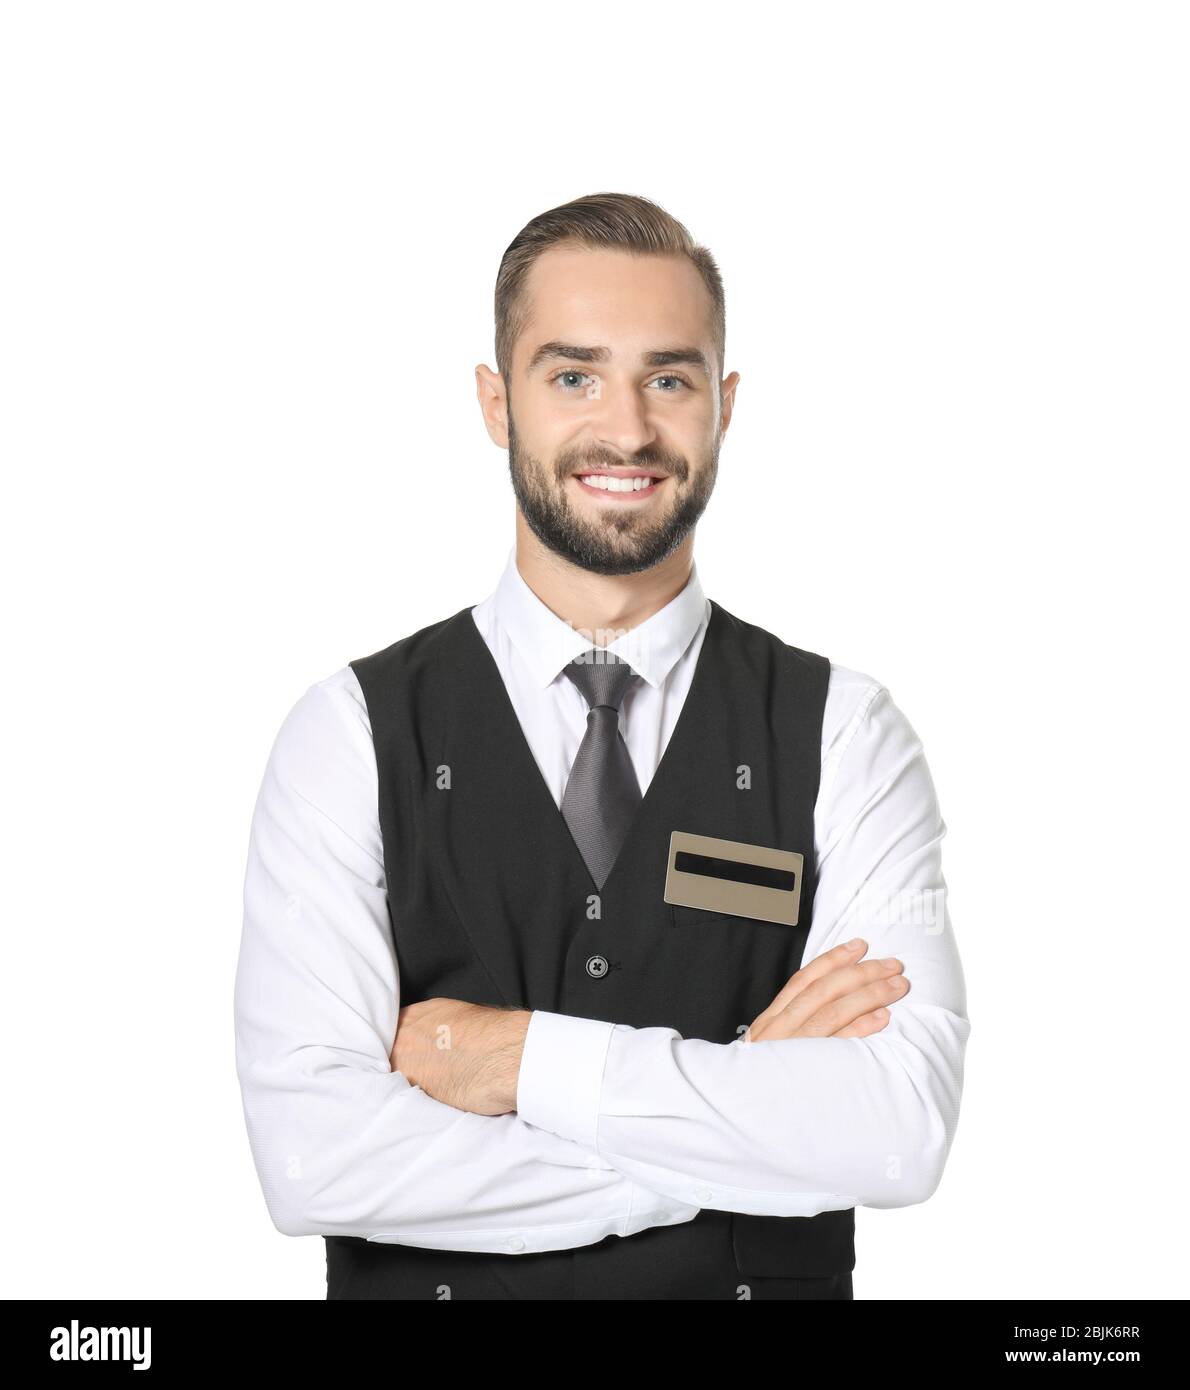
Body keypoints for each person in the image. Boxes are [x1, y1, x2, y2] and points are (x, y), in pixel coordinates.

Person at [233, 191, 970, 1301]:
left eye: (666, 379)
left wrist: (515, 1061)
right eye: (572, 375)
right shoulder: (345, 736)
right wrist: (738, 1108)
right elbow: (316, 1160)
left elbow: (894, 1130)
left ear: (722, 405)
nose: (624, 430)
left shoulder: (845, 734)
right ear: (496, 401)